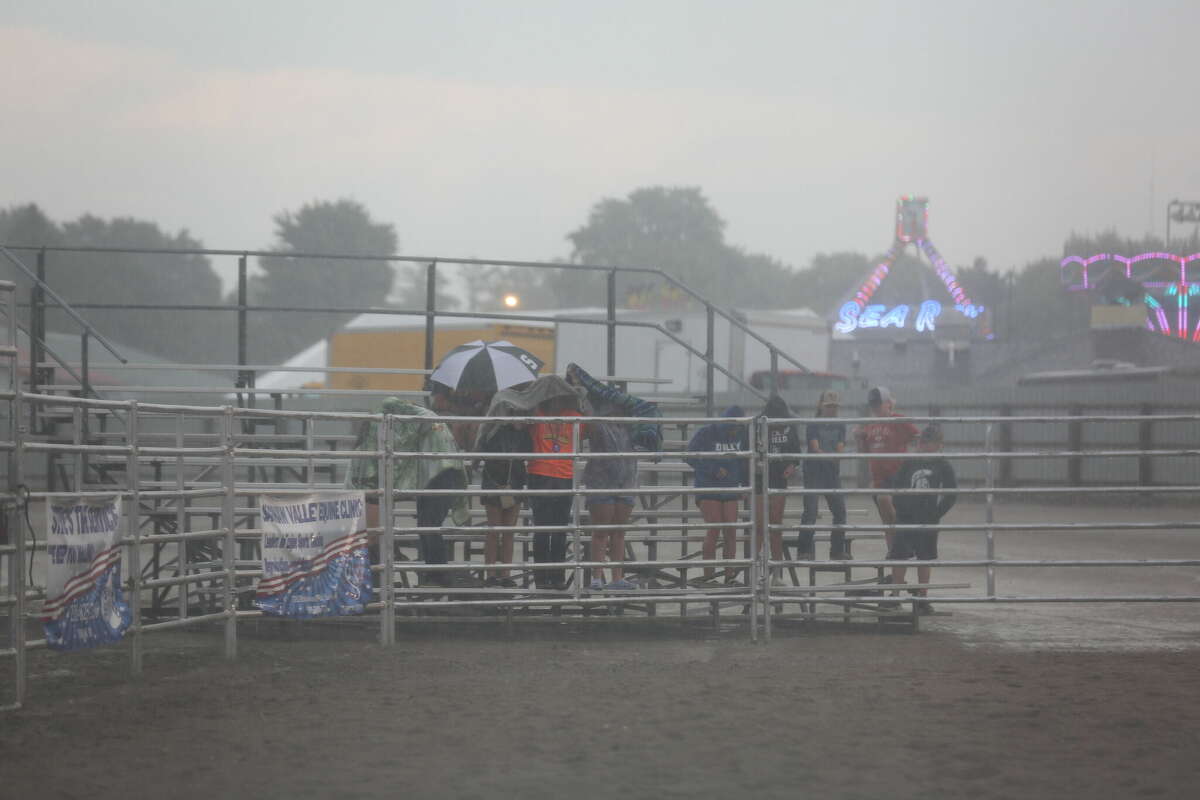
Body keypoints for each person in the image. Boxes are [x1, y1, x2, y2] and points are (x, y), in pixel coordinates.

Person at [348, 396, 472, 589]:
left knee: (427, 526)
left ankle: (437, 576)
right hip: (436, 476)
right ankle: (433, 575)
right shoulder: (422, 420)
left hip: (438, 476)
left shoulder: (413, 423)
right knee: (426, 526)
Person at [565, 363, 662, 592]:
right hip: (602, 481)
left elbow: (647, 411)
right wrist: (580, 384)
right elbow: (588, 412)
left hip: (625, 481)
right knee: (601, 532)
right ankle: (597, 577)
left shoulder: (633, 428)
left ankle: (617, 577)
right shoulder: (599, 425)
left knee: (619, 532)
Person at [889, 424, 957, 613]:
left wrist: (936, 513)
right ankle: (895, 596)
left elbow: (951, 493)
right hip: (906, 516)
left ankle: (922, 597)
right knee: (899, 555)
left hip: (927, 517)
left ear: (938, 445)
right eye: (924, 442)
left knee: (924, 556)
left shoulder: (942, 464)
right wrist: (900, 507)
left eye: (929, 443)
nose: (925, 446)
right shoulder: (910, 462)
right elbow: (897, 485)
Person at [684, 406, 749, 583]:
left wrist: (745, 484)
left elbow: (745, 460)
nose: (734, 431)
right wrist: (712, 468)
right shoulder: (707, 432)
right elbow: (689, 456)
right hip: (708, 486)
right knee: (714, 528)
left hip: (730, 487)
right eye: (732, 428)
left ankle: (729, 576)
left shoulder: (743, 434)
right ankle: (709, 576)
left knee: (731, 531)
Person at [527, 393, 584, 590]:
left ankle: (557, 576)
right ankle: (541, 578)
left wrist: (577, 392)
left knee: (560, 530)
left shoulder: (573, 416)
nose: (556, 400)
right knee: (542, 529)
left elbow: (590, 421)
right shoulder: (536, 415)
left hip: (565, 475)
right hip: (540, 474)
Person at [854, 386, 919, 554]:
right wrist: (859, 439)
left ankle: (903, 542)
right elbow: (864, 454)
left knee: (891, 509)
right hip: (879, 477)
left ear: (889, 403)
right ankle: (894, 551)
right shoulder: (870, 425)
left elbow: (917, 437)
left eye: (878, 403)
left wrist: (913, 462)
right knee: (887, 520)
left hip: (897, 475)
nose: (875, 407)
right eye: (873, 404)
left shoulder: (898, 420)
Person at [477, 421, 531, 587]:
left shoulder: (521, 431)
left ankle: (504, 574)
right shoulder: (491, 429)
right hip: (496, 480)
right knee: (495, 530)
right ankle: (492, 574)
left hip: (512, 480)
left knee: (507, 531)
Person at [800, 390, 849, 560]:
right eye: (829, 406)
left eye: (834, 406)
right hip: (814, 470)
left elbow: (841, 445)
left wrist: (837, 455)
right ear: (821, 406)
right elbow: (815, 447)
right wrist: (833, 456)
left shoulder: (840, 424)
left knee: (840, 511)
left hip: (831, 471)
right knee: (811, 511)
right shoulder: (814, 424)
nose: (832, 409)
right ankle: (804, 550)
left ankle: (837, 550)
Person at [759, 395, 801, 578]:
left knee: (776, 524)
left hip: (779, 479)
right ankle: (757, 571)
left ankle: (777, 572)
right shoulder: (758, 425)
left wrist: (792, 466)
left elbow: (796, 454)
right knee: (759, 526)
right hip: (760, 479)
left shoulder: (789, 427)